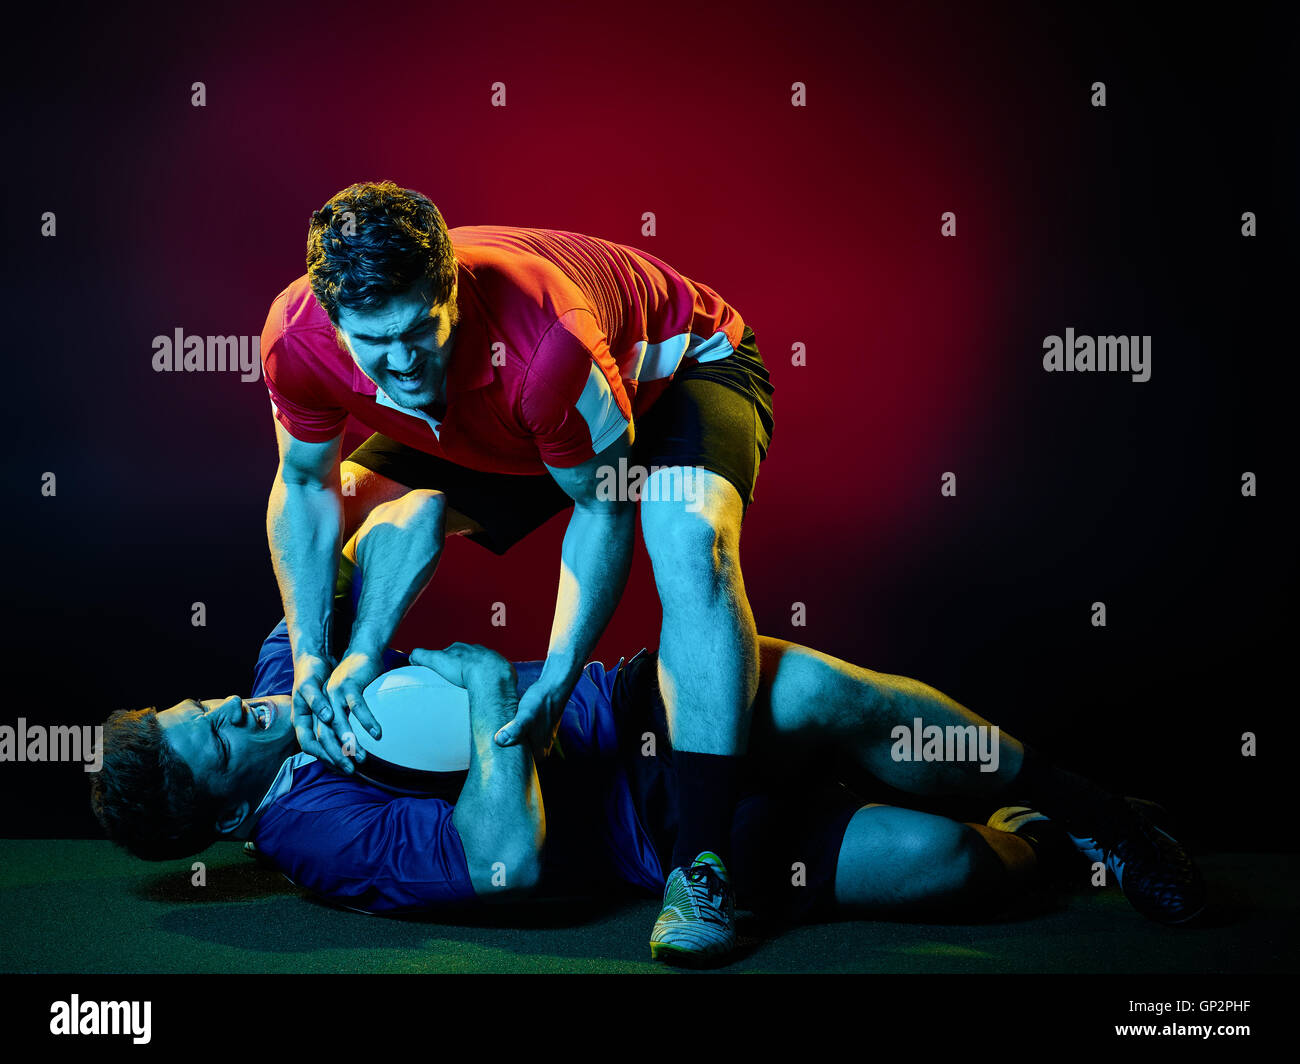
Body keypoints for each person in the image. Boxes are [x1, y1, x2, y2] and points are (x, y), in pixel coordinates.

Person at [91, 498, 1207, 959]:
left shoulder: (289, 671)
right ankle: (1045, 838)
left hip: (632, 706)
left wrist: (350, 635)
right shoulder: (311, 832)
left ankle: (1096, 808)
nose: (239, 707)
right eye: (219, 737)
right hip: (660, 837)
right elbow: (504, 857)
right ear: (230, 807)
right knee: (949, 859)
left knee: (823, 693)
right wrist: (485, 693)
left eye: (208, 703)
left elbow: (403, 511)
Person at [262, 180, 776, 958]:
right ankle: (345, 674)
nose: (402, 362)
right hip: (512, 415)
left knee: (692, 541)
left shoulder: (545, 341)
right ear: (333, 323)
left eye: (419, 331)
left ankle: (701, 863)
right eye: (375, 343)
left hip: (673, 375)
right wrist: (310, 654)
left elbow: (602, 508)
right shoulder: (293, 338)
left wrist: (560, 679)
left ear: (453, 295)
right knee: (354, 503)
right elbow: (303, 487)